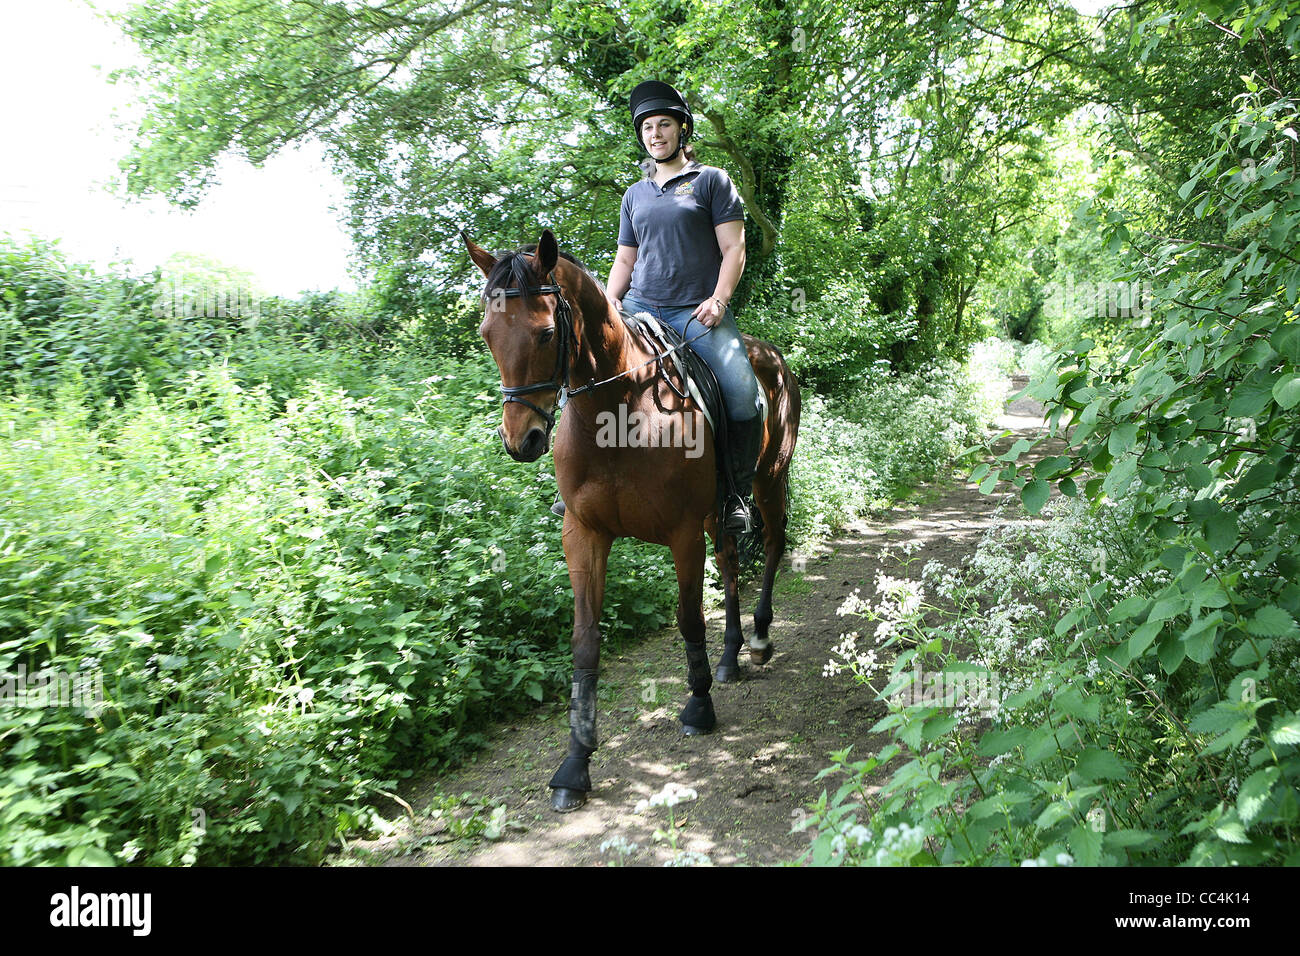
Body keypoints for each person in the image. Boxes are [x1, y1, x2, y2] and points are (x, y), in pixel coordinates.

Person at [553, 80, 761, 534]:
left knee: (745, 395)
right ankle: (570, 485)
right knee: (582, 372)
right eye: (647, 127)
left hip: (696, 312)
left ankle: (736, 497)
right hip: (640, 307)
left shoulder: (711, 181)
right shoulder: (634, 195)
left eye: (663, 124)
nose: (655, 134)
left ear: (681, 129)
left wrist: (719, 300)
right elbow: (626, 257)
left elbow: (734, 249)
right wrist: (610, 301)